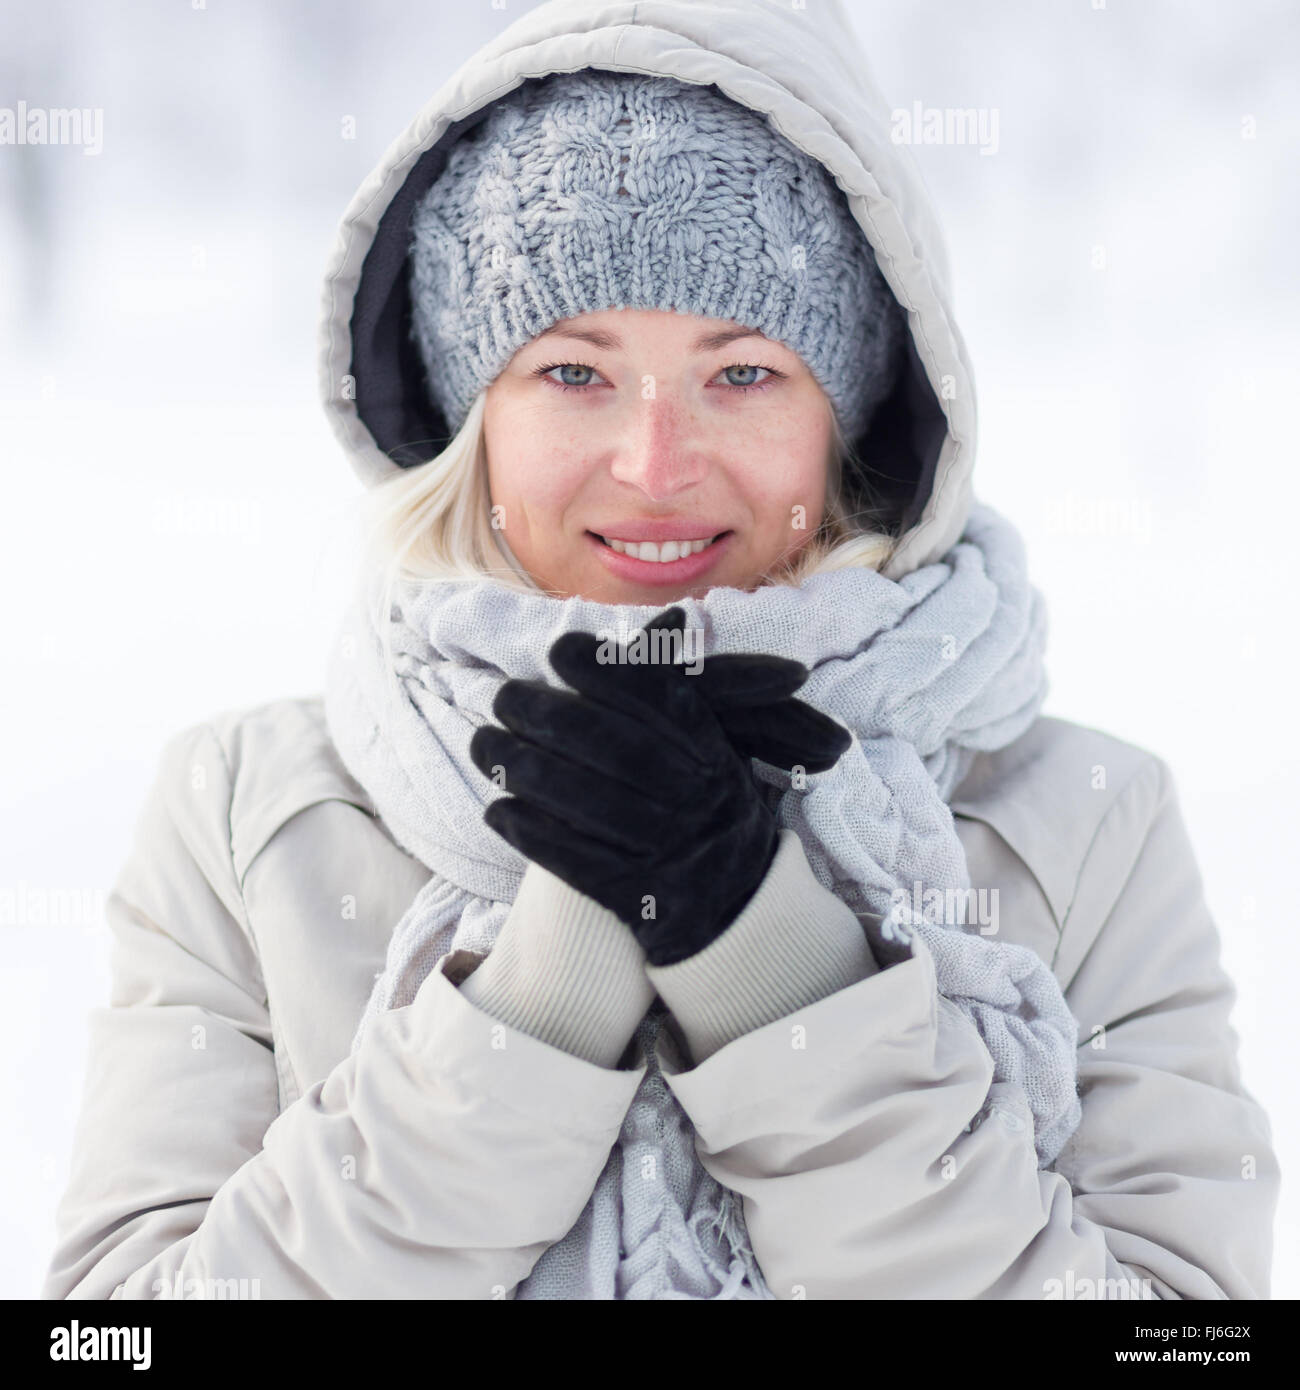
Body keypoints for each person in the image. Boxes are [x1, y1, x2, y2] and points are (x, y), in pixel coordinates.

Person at [42, 0, 1277, 1301]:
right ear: (477, 419)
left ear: (842, 421)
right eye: (574, 374)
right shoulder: (248, 815)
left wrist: (777, 964)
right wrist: (553, 974)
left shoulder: (1085, 828)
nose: (655, 465)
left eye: (740, 374)